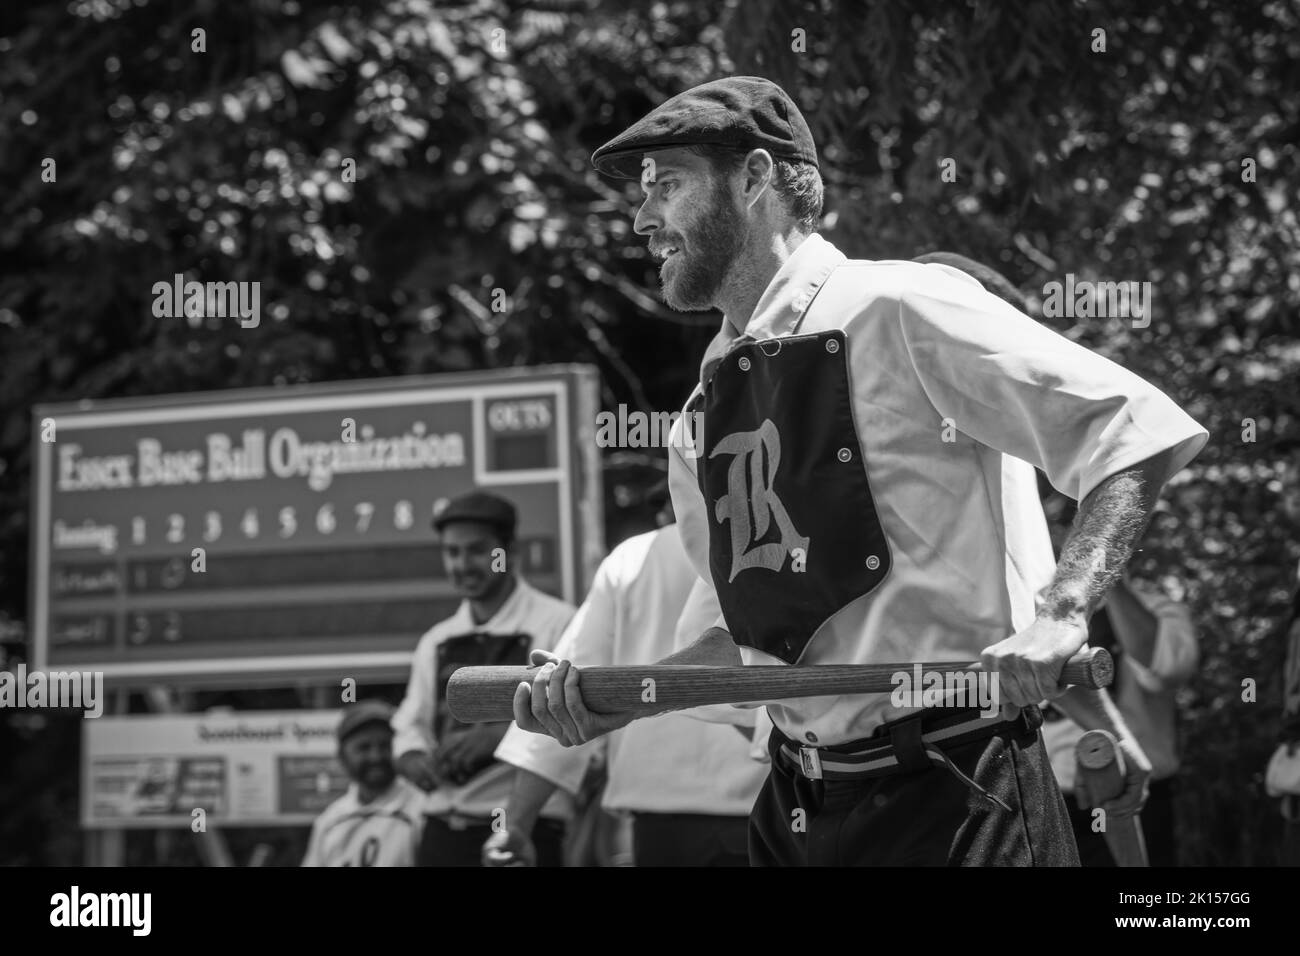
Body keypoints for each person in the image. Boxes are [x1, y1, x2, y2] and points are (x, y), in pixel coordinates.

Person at [512, 76, 1208, 866]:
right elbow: (741, 644)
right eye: (644, 192)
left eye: (666, 184)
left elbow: (1129, 426)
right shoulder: (701, 411)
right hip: (795, 807)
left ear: (755, 178)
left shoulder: (902, 306)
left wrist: (1064, 612)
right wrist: (612, 699)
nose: (643, 218)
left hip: (955, 793)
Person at [483, 499, 768, 867]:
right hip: (767, 813)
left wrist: (515, 824)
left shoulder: (629, 561)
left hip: (662, 831)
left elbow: (566, 691)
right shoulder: (772, 543)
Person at [392, 490, 576, 866]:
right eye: (452, 553)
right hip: (441, 832)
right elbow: (410, 724)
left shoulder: (560, 624)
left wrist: (498, 737)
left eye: (476, 550)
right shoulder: (436, 640)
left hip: (523, 830)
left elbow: (579, 725)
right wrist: (411, 756)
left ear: (509, 550)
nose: (462, 564)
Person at [1037, 479, 1198, 866]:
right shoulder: (1038, 616)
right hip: (1053, 802)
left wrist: (1105, 572)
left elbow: (1165, 668)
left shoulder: (1162, 610)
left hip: (1136, 796)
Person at [302, 700, 424, 867]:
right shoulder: (329, 822)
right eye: (363, 748)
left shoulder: (422, 811)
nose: (376, 756)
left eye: (385, 746)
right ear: (342, 756)